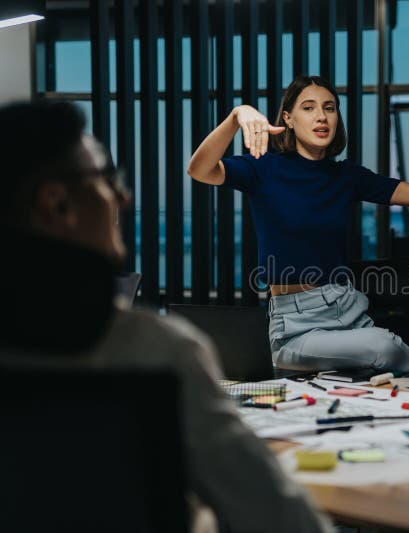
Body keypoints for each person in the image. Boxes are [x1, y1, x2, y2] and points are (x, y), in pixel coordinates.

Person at [0, 101, 332, 533]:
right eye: (106, 179)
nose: (123, 197)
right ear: (56, 203)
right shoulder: (155, 351)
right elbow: (281, 518)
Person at [188, 75, 409, 375]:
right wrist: (237, 116)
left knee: (384, 374)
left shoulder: (346, 176)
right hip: (295, 325)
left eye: (329, 108)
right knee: (385, 347)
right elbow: (199, 169)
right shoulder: (263, 168)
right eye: (309, 108)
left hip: (348, 307)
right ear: (288, 118)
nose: (321, 117)